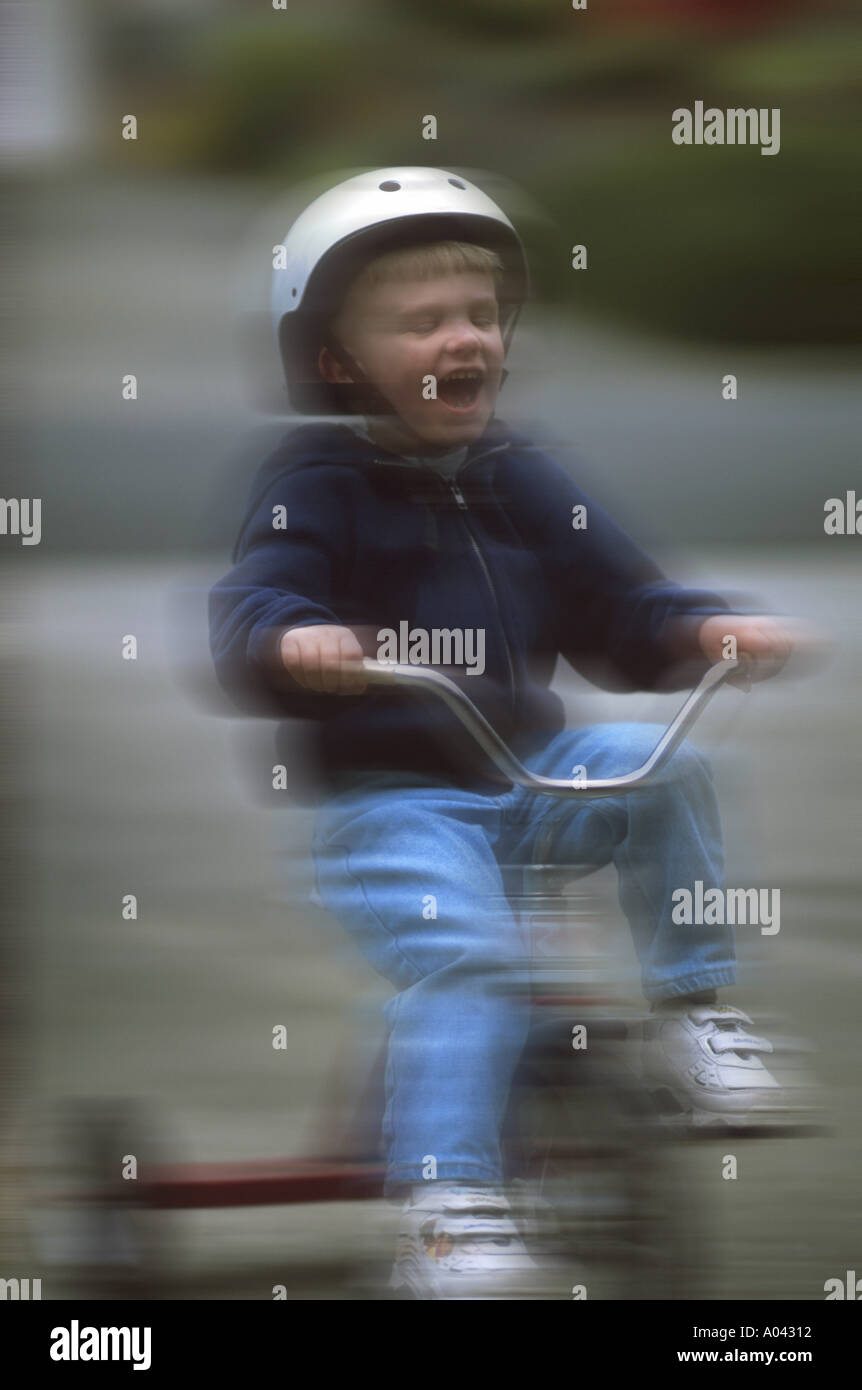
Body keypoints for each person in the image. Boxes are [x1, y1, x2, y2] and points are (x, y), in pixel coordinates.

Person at [209, 167, 801, 1299]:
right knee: (471, 965)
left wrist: (702, 625)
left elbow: (619, 603)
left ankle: (696, 1019)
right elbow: (260, 593)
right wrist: (295, 641)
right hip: (395, 805)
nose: (464, 336)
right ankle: (446, 1211)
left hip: (526, 778)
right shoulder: (313, 477)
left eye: (480, 314)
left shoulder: (522, 475)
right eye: (421, 320)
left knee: (667, 768)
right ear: (338, 361)